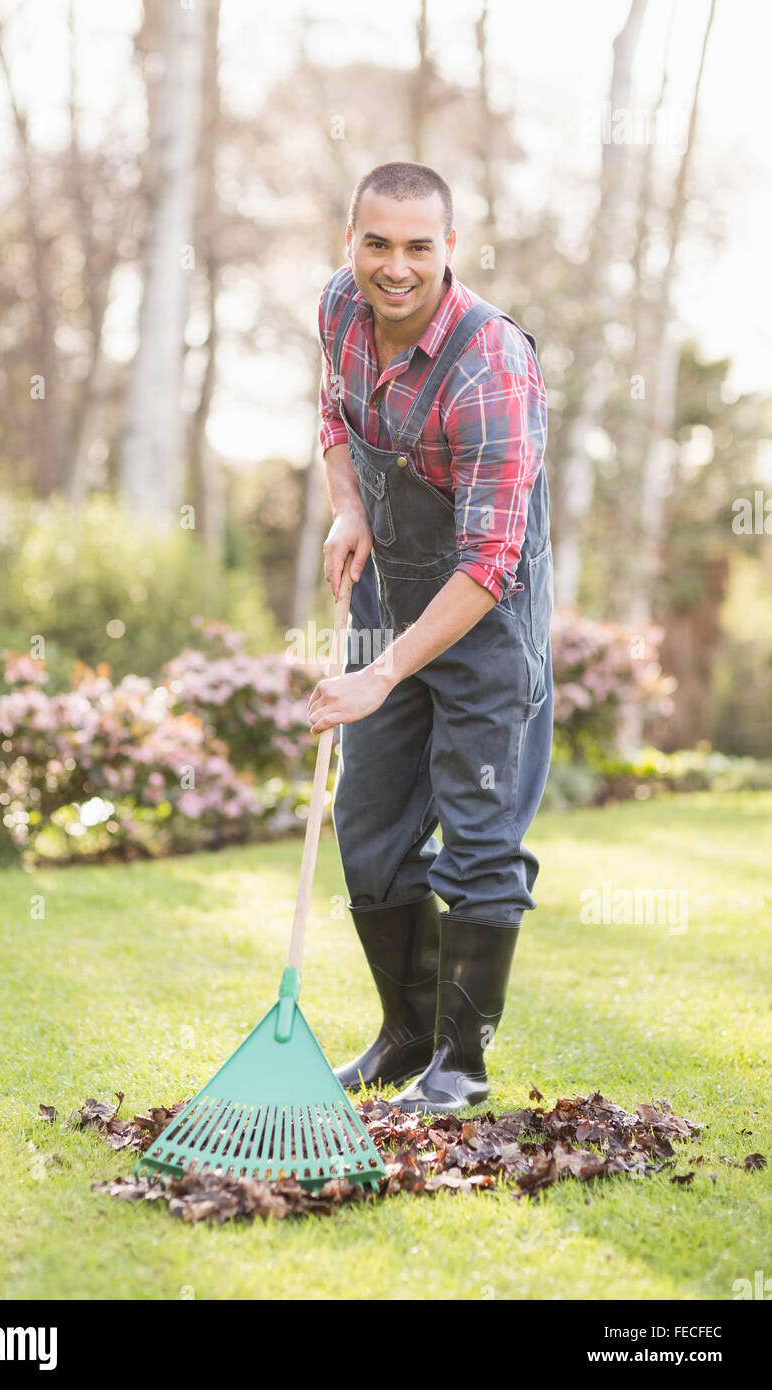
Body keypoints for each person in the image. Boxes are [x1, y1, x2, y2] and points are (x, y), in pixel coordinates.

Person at [307, 160, 553, 1114]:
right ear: (352, 244)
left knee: (481, 839)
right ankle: (405, 1037)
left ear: (449, 249)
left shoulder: (491, 366)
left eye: (418, 247)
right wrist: (345, 507)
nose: (395, 267)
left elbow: (491, 561)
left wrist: (385, 674)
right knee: (367, 826)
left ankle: (461, 1065)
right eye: (378, 244)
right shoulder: (338, 309)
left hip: (484, 622)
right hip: (386, 593)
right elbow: (334, 407)